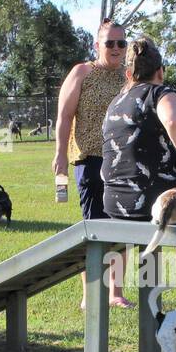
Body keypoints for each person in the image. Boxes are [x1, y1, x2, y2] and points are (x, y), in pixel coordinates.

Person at [100, 37, 176, 309]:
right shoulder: (162, 93)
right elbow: (173, 121)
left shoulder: (116, 101)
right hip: (152, 200)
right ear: (160, 71)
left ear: (128, 74)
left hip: (115, 203)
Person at [55, 18, 131, 307]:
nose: (115, 48)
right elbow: (64, 116)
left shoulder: (129, 76)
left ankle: (116, 293)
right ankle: (90, 296)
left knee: (122, 226)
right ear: (97, 44)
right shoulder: (82, 72)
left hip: (122, 161)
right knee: (95, 225)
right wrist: (61, 154)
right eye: (109, 42)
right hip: (89, 159)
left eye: (121, 43)